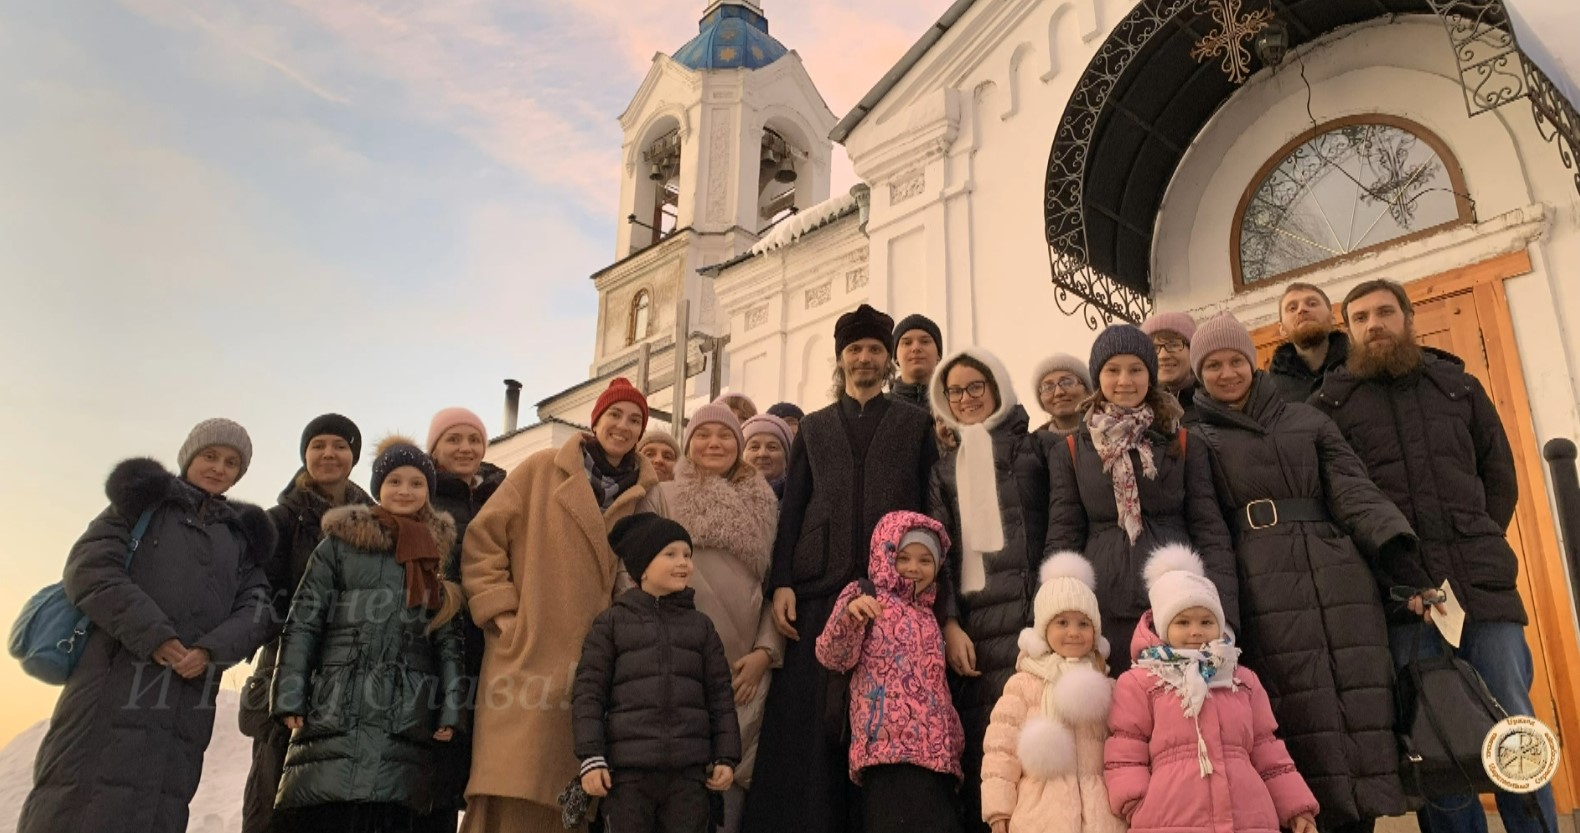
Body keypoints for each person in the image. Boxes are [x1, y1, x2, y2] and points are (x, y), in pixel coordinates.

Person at [1311, 279, 1557, 833]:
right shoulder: (1328, 406)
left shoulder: (1458, 387)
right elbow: (1336, 505)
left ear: (1408, 317)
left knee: (1513, 728)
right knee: (1434, 736)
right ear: (1347, 331)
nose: (1374, 325)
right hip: (1400, 602)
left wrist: (1477, 541)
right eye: (1360, 318)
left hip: (1483, 591)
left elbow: (1500, 477)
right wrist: (1395, 576)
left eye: (1384, 312)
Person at [1190, 314, 1412, 833]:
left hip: (1339, 574)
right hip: (1260, 582)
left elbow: (1352, 491)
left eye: (1235, 361)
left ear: (1252, 362)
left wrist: (1400, 559)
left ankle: (1365, 820)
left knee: (1360, 703)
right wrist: (1221, 612)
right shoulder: (1195, 437)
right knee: (1294, 716)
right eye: (1214, 365)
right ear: (1200, 375)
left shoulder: (1308, 420)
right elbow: (1208, 527)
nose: (1227, 373)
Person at [20, 419, 275, 833]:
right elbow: (91, 568)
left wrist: (210, 651)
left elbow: (258, 609)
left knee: (160, 805)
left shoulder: (241, 538)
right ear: (189, 456)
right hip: (110, 681)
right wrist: (155, 635)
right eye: (210, 456)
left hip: (185, 699)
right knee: (77, 800)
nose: (219, 468)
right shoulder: (141, 505)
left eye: (231, 462)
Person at [746, 303, 938, 833]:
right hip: (817, 591)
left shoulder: (914, 423)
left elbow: (929, 503)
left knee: (877, 723)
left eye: (875, 349)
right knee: (807, 729)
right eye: (855, 350)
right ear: (841, 359)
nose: (865, 359)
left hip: (890, 596)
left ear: (887, 360)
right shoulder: (813, 427)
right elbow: (795, 508)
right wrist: (782, 581)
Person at [462, 377, 664, 832]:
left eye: (635, 420)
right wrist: (505, 615)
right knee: (511, 790)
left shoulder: (641, 498)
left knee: (567, 802)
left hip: (591, 667)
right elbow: (483, 540)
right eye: (615, 415)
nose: (624, 426)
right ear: (596, 420)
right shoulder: (540, 469)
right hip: (526, 656)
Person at [269, 438, 467, 832]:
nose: (405, 491)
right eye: (395, 481)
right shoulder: (339, 545)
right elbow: (305, 621)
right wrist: (290, 694)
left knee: (391, 809)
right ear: (379, 487)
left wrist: (451, 708)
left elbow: (447, 641)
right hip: (335, 703)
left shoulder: (437, 553)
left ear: (428, 491)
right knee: (329, 806)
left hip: (409, 709)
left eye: (416, 483)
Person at [1045, 324, 1237, 675]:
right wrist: (1052, 614)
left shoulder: (1183, 443)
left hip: (1179, 607)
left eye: (1136, 369)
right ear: (1097, 377)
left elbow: (1210, 530)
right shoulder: (1071, 451)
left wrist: (1224, 618)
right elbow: (1063, 536)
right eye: (1112, 370)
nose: (1125, 381)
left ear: (1150, 375)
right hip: (1105, 602)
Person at [1105, 546, 1319, 833]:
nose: (1196, 631)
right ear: (1164, 626)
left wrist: (1296, 808)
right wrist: (1137, 803)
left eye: (1206, 621)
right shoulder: (1142, 681)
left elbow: (1268, 750)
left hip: (1248, 818)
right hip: (1168, 818)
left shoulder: (1241, 680)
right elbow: (1126, 750)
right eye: (1183, 622)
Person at [926, 347, 1047, 833]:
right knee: (989, 758)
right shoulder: (940, 470)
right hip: (974, 633)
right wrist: (950, 622)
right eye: (955, 391)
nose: (967, 398)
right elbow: (940, 553)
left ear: (996, 387)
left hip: (1033, 622)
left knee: (1042, 758)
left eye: (976, 386)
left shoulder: (1033, 451)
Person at [647, 402, 781, 833]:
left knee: (732, 781)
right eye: (703, 435)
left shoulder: (766, 503)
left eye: (725, 436)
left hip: (744, 667)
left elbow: (778, 585)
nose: (714, 443)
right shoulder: (664, 495)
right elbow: (634, 575)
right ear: (688, 443)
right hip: (677, 657)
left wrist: (766, 650)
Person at [242, 413, 373, 833]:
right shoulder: (279, 520)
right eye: (318, 446)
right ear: (305, 455)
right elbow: (256, 594)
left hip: (352, 681)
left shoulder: (375, 523)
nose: (329, 454)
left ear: (353, 455)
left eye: (339, 445)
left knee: (337, 806)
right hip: (287, 672)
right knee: (274, 800)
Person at [573, 513, 742, 832]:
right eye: (671, 554)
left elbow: (720, 696)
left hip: (689, 775)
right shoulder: (611, 624)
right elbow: (588, 695)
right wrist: (591, 756)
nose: (684, 563)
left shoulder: (701, 627)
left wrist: (725, 756)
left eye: (687, 555)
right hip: (628, 775)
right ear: (643, 566)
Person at [815, 511, 965, 833]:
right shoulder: (864, 595)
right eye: (904, 556)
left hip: (935, 756)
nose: (914, 567)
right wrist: (850, 617)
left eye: (926, 560)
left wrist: (954, 741)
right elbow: (833, 655)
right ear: (886, 555)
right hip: (884, 751)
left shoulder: (931, 614)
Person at [980, 553, 1123, 833]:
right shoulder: (1024, 684)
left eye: (1083, 624)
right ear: (1044, 629)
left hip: (1100, 815)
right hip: (1039, 814)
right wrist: (999, 809)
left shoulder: (1108, 687)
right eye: (1062, 623)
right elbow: (1000, 749)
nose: (1073, 632)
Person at [427, 406, 508, 831]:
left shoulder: (503, 494)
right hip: (436, 646)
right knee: (436, 769)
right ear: (435, 447)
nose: (465, 448)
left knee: (483, 767)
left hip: (491, 645)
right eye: (453, 439)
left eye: (473, 439)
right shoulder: (422, 494)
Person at [1268, 283, 1349, 404]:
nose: (1302, 309)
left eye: (1312, 304)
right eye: (1292, 308)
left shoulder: (1361, 367)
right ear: (1282, 329)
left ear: (1332, 318)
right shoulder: (1270, 393)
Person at [1140, 312, 1201, 424]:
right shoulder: (1136, 412)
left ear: (1192, 350)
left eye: (1173, 345)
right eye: (1154, 348)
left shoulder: (1211, 405)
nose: (1163, 356)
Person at [889, 314, 943, 411]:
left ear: (938, 354)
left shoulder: (954, 405)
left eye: (925, 341)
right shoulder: (880, 408)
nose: (916, 348)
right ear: (895, 357)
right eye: (907, 343)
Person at [1028, 354, 1092, 437]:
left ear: (1087, 391)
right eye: (1048, 387)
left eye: (1067, 382)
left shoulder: (1110, 435)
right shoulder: (1032, 447)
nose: (1058, 392)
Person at [742, 413, 793, 501]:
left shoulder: (799, 500)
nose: (762, 454)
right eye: (754, 447)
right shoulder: (725, 498)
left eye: (772, 447)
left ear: (786, 457)